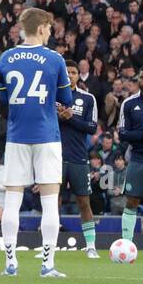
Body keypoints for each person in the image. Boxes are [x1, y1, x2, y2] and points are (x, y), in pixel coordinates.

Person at [0, 8, 73, 278]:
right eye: (49, 28)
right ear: (41, 28)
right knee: (50, 202)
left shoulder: (6, 58)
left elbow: (4, 102)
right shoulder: (55, 59)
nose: (51, 33)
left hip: (17, 135)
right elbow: (68, 100)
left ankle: (10, 263)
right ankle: (47, 265)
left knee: (12, 200)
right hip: (47, 135)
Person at [58, 64, 100, 259]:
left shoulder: (87, 98)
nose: (69, 75)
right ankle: (48, 245)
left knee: (83, 202)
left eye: (73, 72)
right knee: (52, 202)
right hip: (54, 156)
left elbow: (92, 128)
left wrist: (69, 117)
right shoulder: (51, 96)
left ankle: (90, 245)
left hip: (78, 157)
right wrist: (59, 117)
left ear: (78, 76)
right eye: (66, 72)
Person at [118, 65, 143, 245]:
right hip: (138, 159)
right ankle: (126, 243)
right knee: (132, 201)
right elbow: (123, 134)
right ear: (138, 80)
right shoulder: (129, 103)